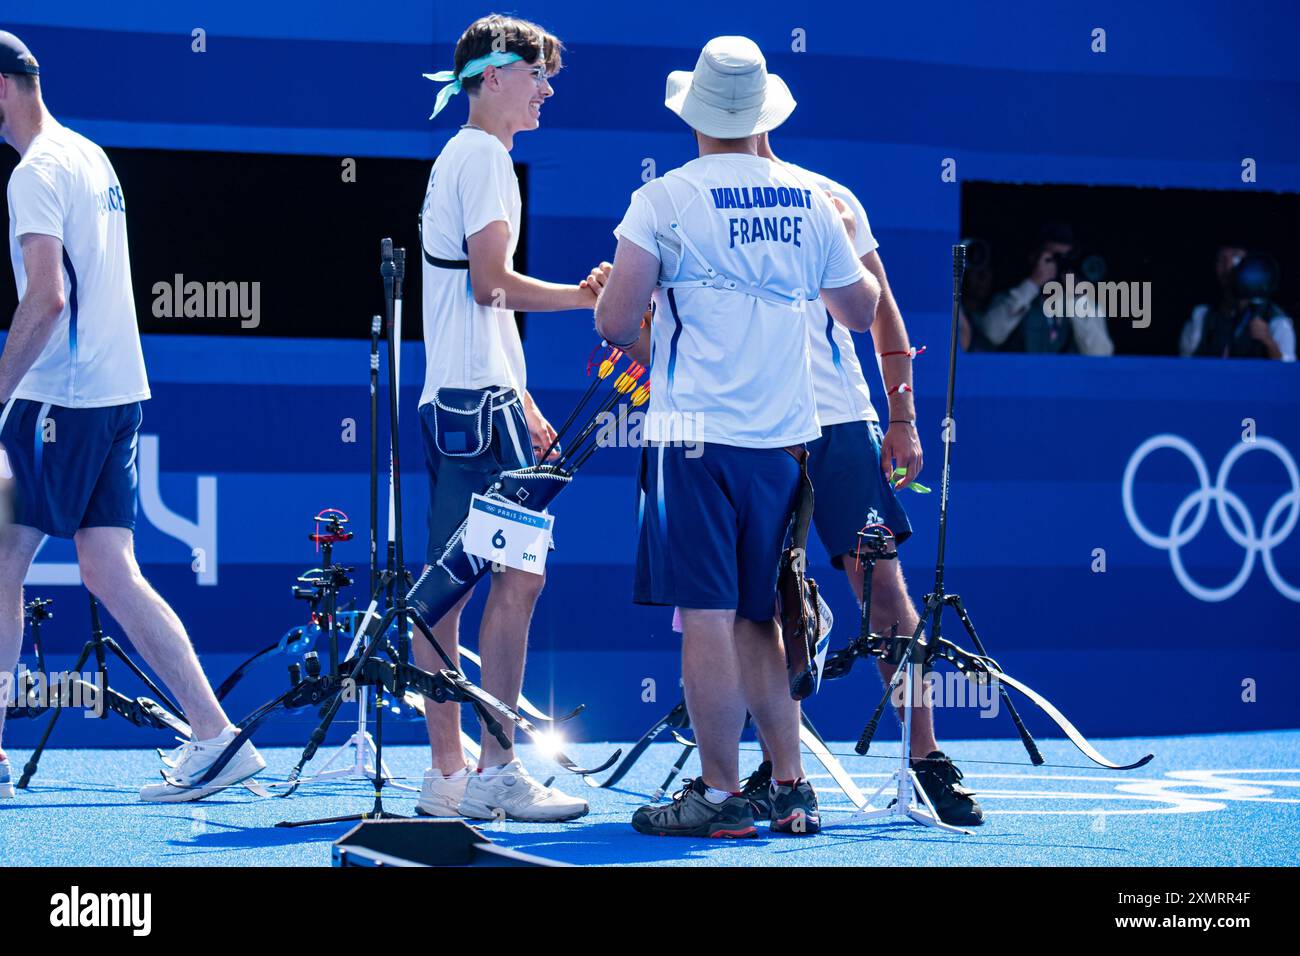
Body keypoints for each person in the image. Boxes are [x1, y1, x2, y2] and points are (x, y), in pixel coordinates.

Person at [596, 36, 880, 838]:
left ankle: (720, 795)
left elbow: (616, 321)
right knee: (765, 613)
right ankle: (790, 787)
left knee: (711, 615)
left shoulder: (664, 199)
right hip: (786, 440)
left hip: (692, 435)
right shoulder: (812, 199)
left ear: (693, 115)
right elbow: (858, 311)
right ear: (761, 116)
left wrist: (666, 339)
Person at [0, 31, 264, 802]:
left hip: (63, 398)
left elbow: (48, 298)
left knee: (4, 563)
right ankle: (216, 736)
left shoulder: (36, 172)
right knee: (108, 569)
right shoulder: (88, 155)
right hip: (115, 394)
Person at [735, 132, 983, 826]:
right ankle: (783, 771)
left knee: (883, 593)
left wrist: (902, 419)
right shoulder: (692, 197)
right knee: (760, 605)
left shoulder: (832, 196)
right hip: (752, 427)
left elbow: (883, 314)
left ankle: (924, 754)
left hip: (839, 423)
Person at [407, 14, 610, 822]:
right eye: (536, 76)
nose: (546, 91)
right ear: (493, 77)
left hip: (472, 403)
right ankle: (489, 771)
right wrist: (587, 298)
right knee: (512, 582)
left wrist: (522, 398)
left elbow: (471, 302)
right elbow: (493, 284)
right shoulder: (485, 156)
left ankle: (452, 777)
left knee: (446, 596)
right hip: (474, 409)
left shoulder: (465, 156)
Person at [978, 223, 1113, 355]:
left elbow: (1100, 354)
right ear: (1035, 258)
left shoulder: (1087, 306)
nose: (1060, 266)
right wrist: (1032, 283)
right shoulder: (1012, 298)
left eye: (1066, 259)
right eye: (1054, 258)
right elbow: (991, 334)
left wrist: (1076, 298)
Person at [1179, 244, 1295, 361]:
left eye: (1236, 258)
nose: (1229, 266)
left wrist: (1269, 343)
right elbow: (1185, 365)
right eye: (1222, 259)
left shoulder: (1276, 320)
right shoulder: (1202, 316)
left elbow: (1288, 371)